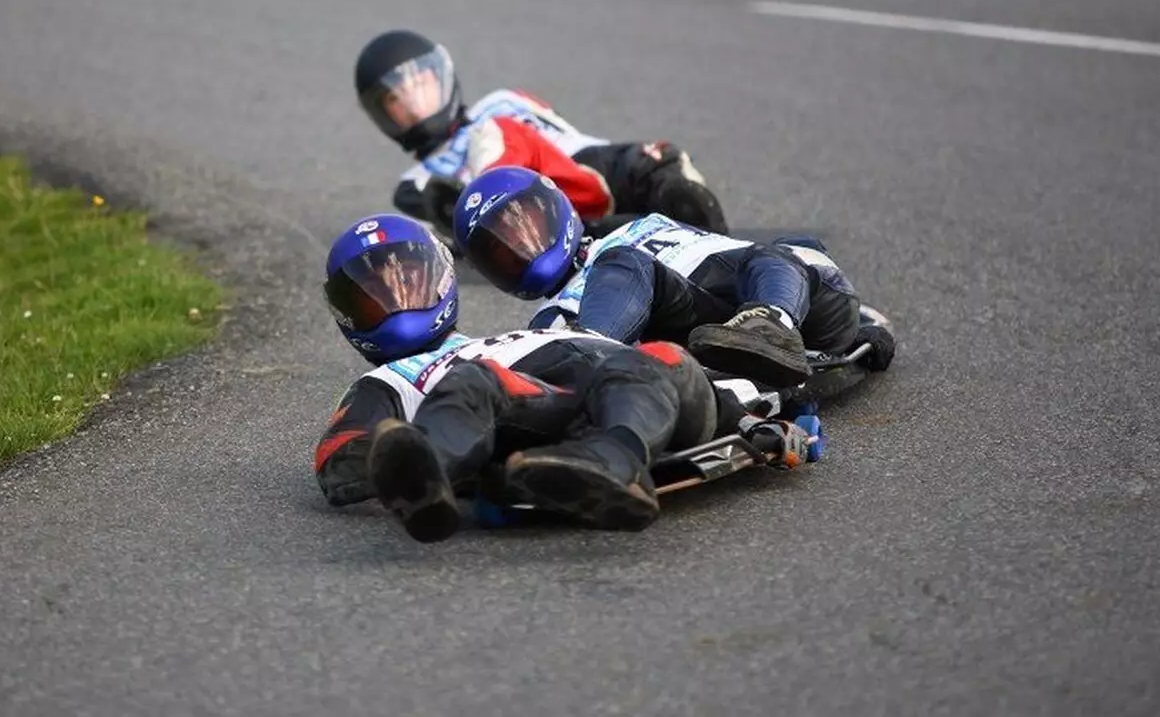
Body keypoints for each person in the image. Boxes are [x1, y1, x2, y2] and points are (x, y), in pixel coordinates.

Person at [317, 212, 813, 543]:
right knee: (473, 383)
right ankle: (432, 480)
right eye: (370, 297)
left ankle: (610, 461)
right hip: (532, 413)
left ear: (440, 279)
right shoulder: (392, 380)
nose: (396, 301)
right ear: (346, 316)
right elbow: (339, 455)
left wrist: (748, 423)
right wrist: (395, 458)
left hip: (635, 386)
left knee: (647, 358)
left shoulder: (514, 337)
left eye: (408, 281)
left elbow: (698, 384)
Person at [450, 166, 897, 390]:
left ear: (556, 209)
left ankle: (773, 326)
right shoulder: (555, 315)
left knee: (781, 251)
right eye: (502, 252)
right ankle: (597, 356)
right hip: (708, 338)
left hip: (786, 298)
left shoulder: (637, 226)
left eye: (527, 225)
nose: (523, 248)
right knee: (624, 265)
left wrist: (863, 327)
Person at [352, 29, 728, 243]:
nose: (415, 104)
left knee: (664, 164)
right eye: (395, 99)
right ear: (383, 116)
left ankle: (722, 257)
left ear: (442, 76)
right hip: (535, 212)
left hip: (592, 168)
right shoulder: (418, 183)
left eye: (420, 84)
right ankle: (593, 231)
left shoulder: (503, 100)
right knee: (495, 137)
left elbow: (567, 137)